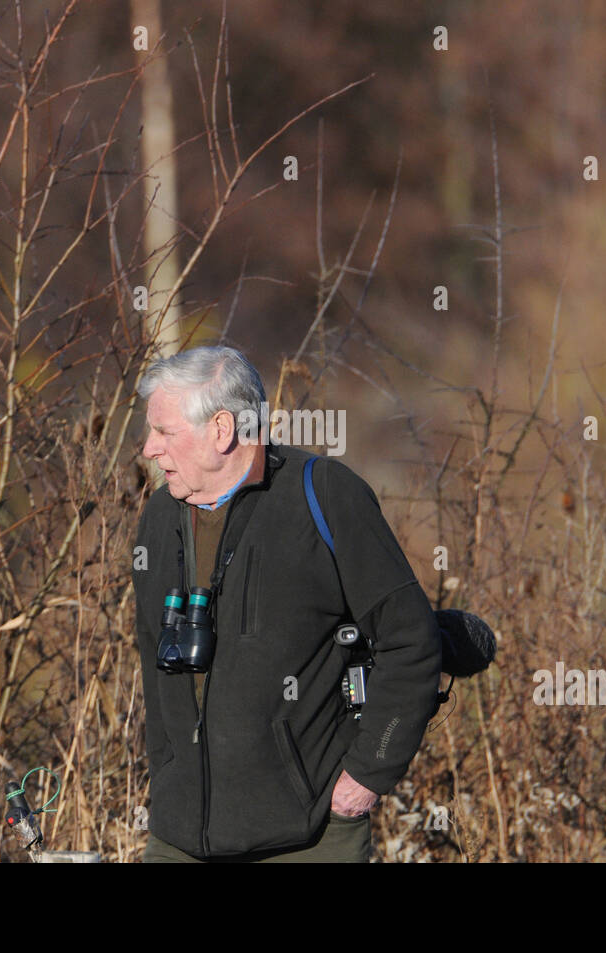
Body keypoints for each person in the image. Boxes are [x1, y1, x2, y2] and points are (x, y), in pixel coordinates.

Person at [132, 345, 442, 862]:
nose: (148, 448)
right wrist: (165, 777)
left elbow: (411, 640)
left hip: (310, 837)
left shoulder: (323, 495)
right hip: (179, 838)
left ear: (222, 429)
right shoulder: (160, 518)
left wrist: (367, 774)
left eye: (164, 432)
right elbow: (151, 658)